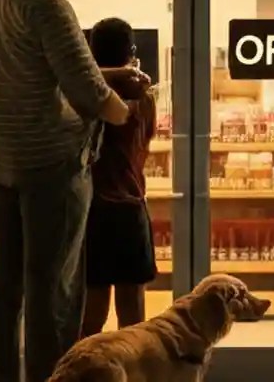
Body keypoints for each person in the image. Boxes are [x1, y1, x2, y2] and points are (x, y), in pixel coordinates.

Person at [0, 0, 150, 382]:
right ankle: (53, 379)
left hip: (4, 160)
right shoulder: (48, 4)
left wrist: (107, 73)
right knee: (53, 291)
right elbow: (88, 92)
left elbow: (34, 72)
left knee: (4, 286)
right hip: (53, 165)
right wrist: (125, 108)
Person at [81, 17, 159, 337]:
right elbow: (146, 138)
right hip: (130, 205)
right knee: (133, 314)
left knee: (92, 312)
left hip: (93, 207)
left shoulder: (88, 98)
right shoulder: (145, 97)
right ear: (131, 52)